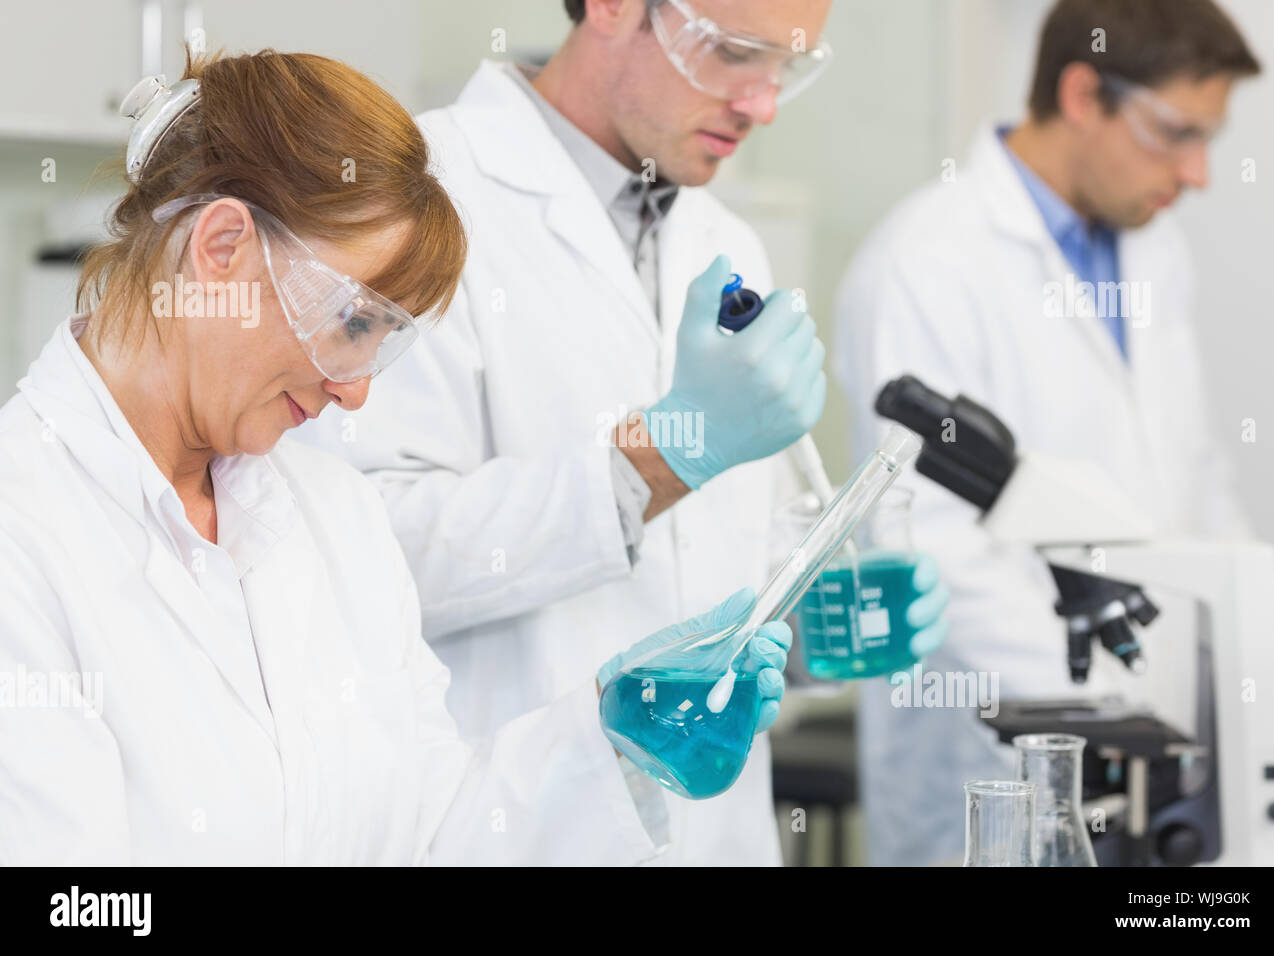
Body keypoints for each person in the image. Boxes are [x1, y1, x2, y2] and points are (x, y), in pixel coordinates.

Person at [0, 50, 793, 865]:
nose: (354, 396)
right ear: (224, 246)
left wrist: (613, 742)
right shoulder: (23, 535)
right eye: (351, 325)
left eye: (382, 347)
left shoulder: (332, 513)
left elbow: (435, 827)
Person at [298, 0, 950, 865]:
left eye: (788, 65)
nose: (764, 105)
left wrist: (809, 629)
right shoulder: (416, 200)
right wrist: (658, 458)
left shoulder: (729, 240)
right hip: (515, 827)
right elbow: (357, 558)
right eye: (733, 52)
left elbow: (722, 567)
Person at [834, 0, 1261, 866]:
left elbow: (1192, 472)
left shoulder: (1152, 250)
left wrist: (1253, 648)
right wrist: (1119, 705)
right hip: (989, 753)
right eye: (1177, 133)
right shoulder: (928, 261)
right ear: (1080, 92)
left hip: (1154, 751)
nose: (1198, 173)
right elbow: (931, 546)